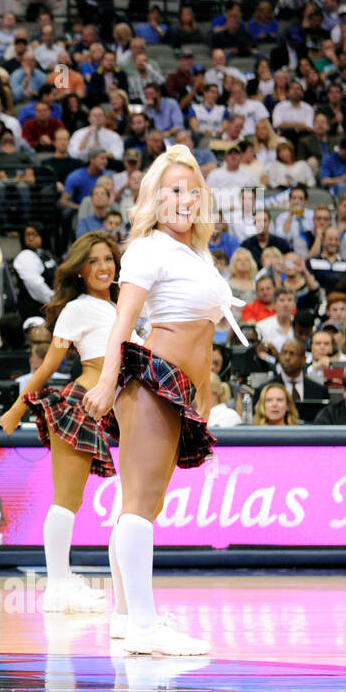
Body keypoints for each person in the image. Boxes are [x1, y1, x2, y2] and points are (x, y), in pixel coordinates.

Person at [81, 146, 249, 656]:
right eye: (173, 190)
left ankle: (126, 615)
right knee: (140, 504)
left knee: (145, 504)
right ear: (156, 197)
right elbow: (123, 321)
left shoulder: (194, 253)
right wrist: (108, 382)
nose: (183, 199)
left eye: (191, 190)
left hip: (179, 390)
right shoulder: (148, 248)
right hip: (155, 382)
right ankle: (144, 628)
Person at [1, 231, 135, 613]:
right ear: (80, 269)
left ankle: (72, 585)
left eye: (108, 259)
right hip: (82, 405)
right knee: (67, 499)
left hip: (116, 411)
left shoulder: (122, 307)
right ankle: (57, 584)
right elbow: (48, 367)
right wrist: (17, 408)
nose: (103, 267)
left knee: (96, 501)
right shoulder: (76, 309)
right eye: (93, 261)